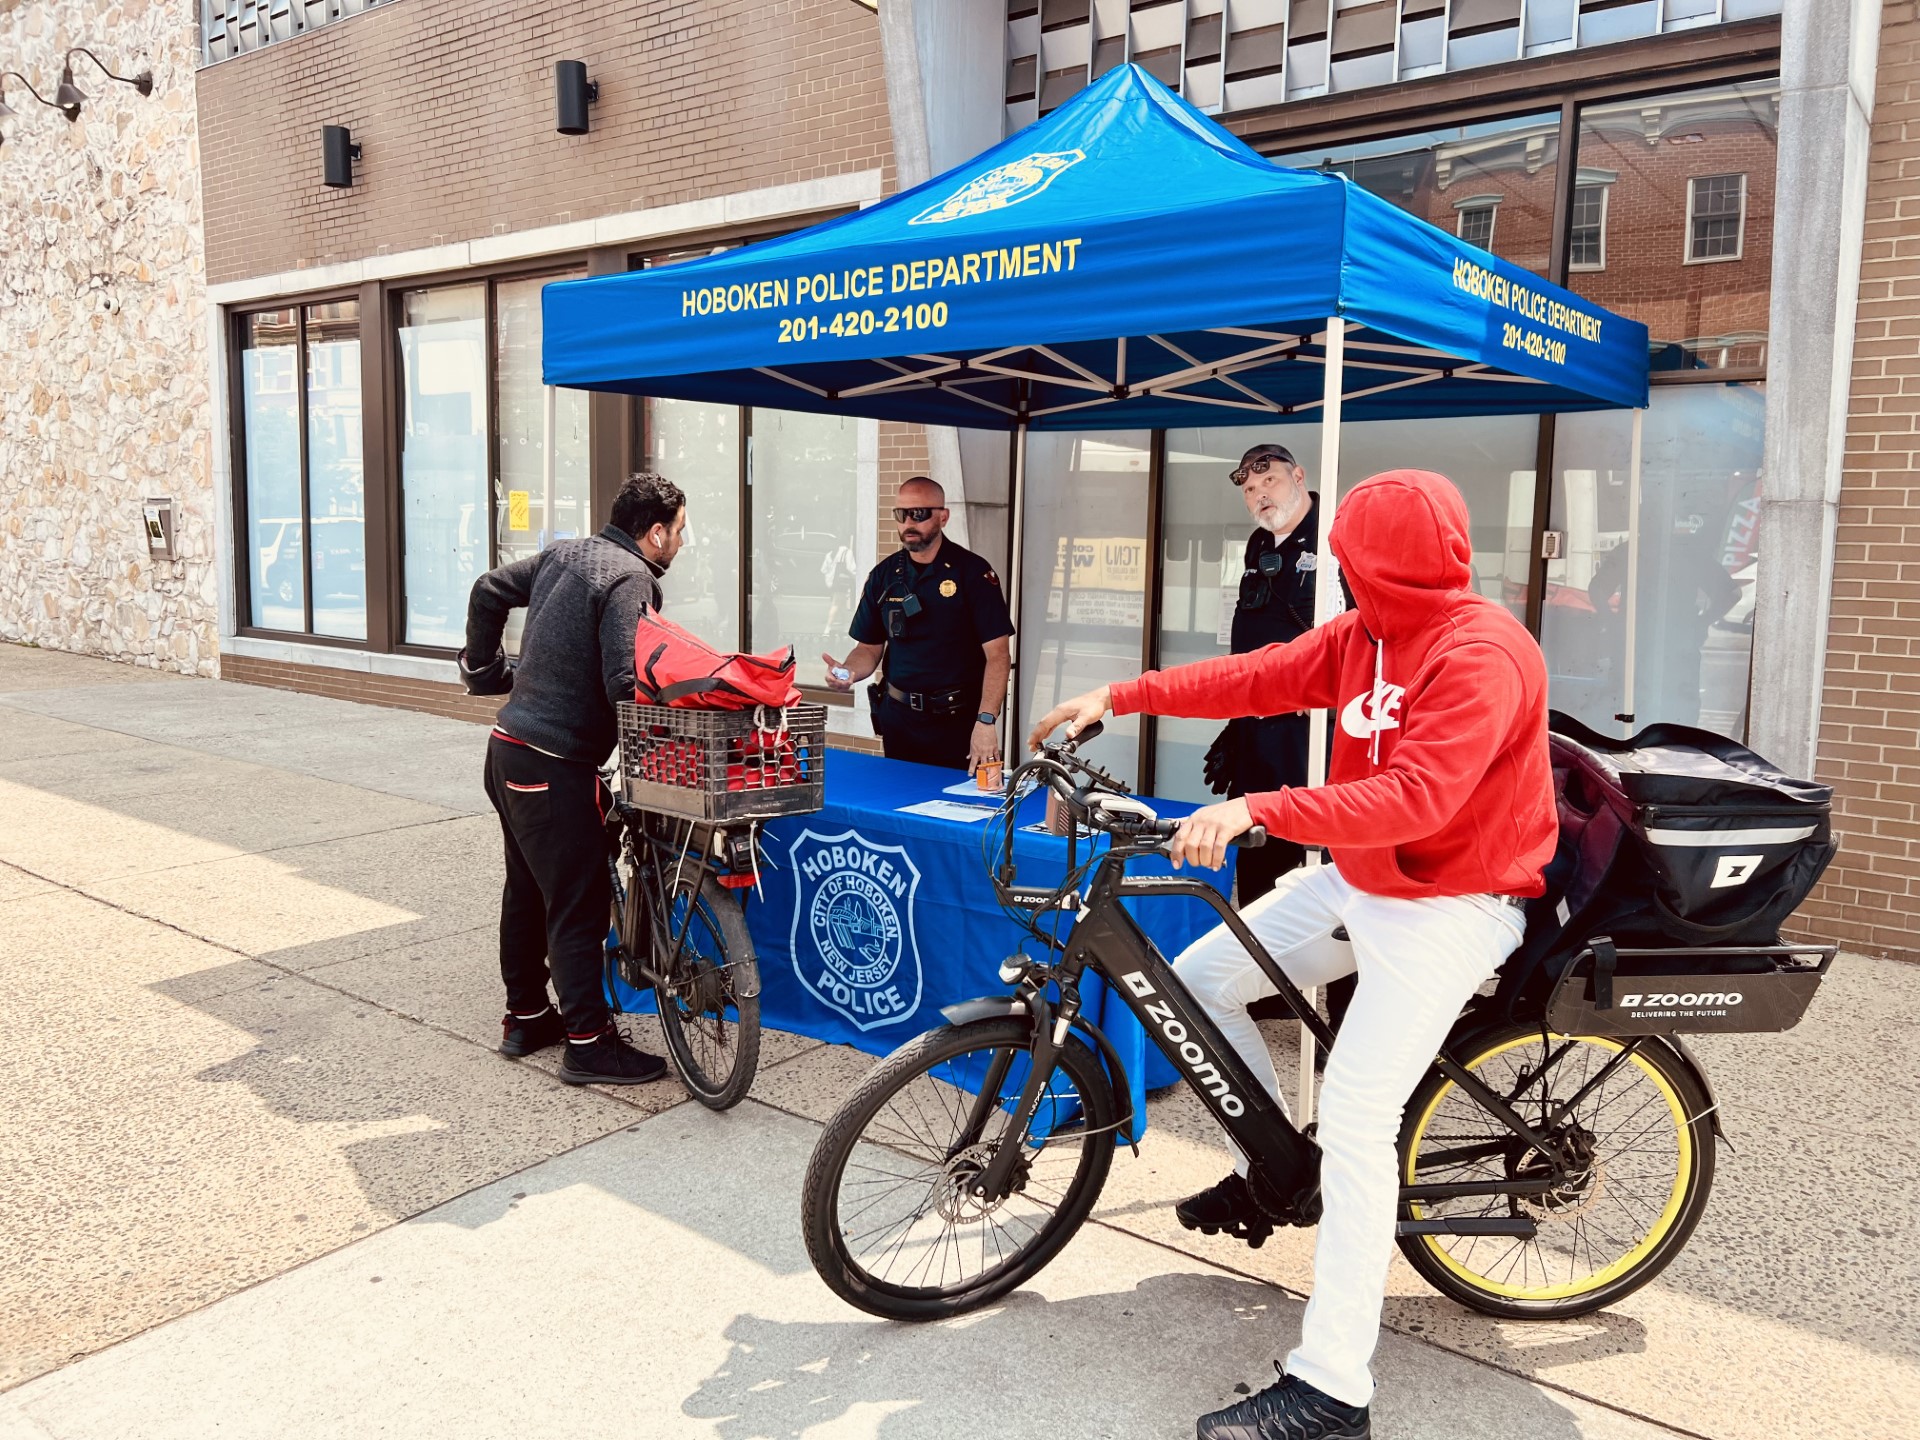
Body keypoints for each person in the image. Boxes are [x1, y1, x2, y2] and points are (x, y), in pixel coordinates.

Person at [1029, 470, 1555, 1440]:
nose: (1342, 580)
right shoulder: (1366, 636)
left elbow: (1419, 797)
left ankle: (1334, 1390)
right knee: (1197, 984)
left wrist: (1256, 809)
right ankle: (1273, 1172)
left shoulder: (1483, 652)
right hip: (1366, 878)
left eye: (1351, 564)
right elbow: (1257, 675)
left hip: (1456, 900)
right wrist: (1121, 695)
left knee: (1357, 1116)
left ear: (1379, 568)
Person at [459, 471, 688, 1087]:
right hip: (555, 764)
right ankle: (588, 1044)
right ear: (656, 532)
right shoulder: (631, 577)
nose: (681, 543)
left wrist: (484, 671)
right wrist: (662, 748)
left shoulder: (566, 553)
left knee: (529, 889)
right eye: (679, 531)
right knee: (578, 902)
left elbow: (487, 589)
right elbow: (625, 682)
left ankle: (528, 1018)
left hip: (508, 751)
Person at [1205, 442, 1345, 902]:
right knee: (1258, 850)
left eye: (1270, 481)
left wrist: (1327, 692)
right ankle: (1258, 942)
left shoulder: (1336, 539)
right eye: (1249, 489)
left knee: (1313, 858)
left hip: (1312, 733)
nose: (1260, 494)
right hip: (1256, 724)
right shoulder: (1259, 544)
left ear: (1298, 477)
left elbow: (1362, 633)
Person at [823, 476, 1014, 772]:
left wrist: (986, 721)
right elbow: (868, 648)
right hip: (900, 721)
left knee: (957, 800)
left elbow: (998, 655)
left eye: (919, 513)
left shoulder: (973, 573)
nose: (908, 523)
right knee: (898, 798)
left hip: (958, 724)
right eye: (901, 514)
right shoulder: (883, 576)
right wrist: (848, 671)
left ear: (943, 517)